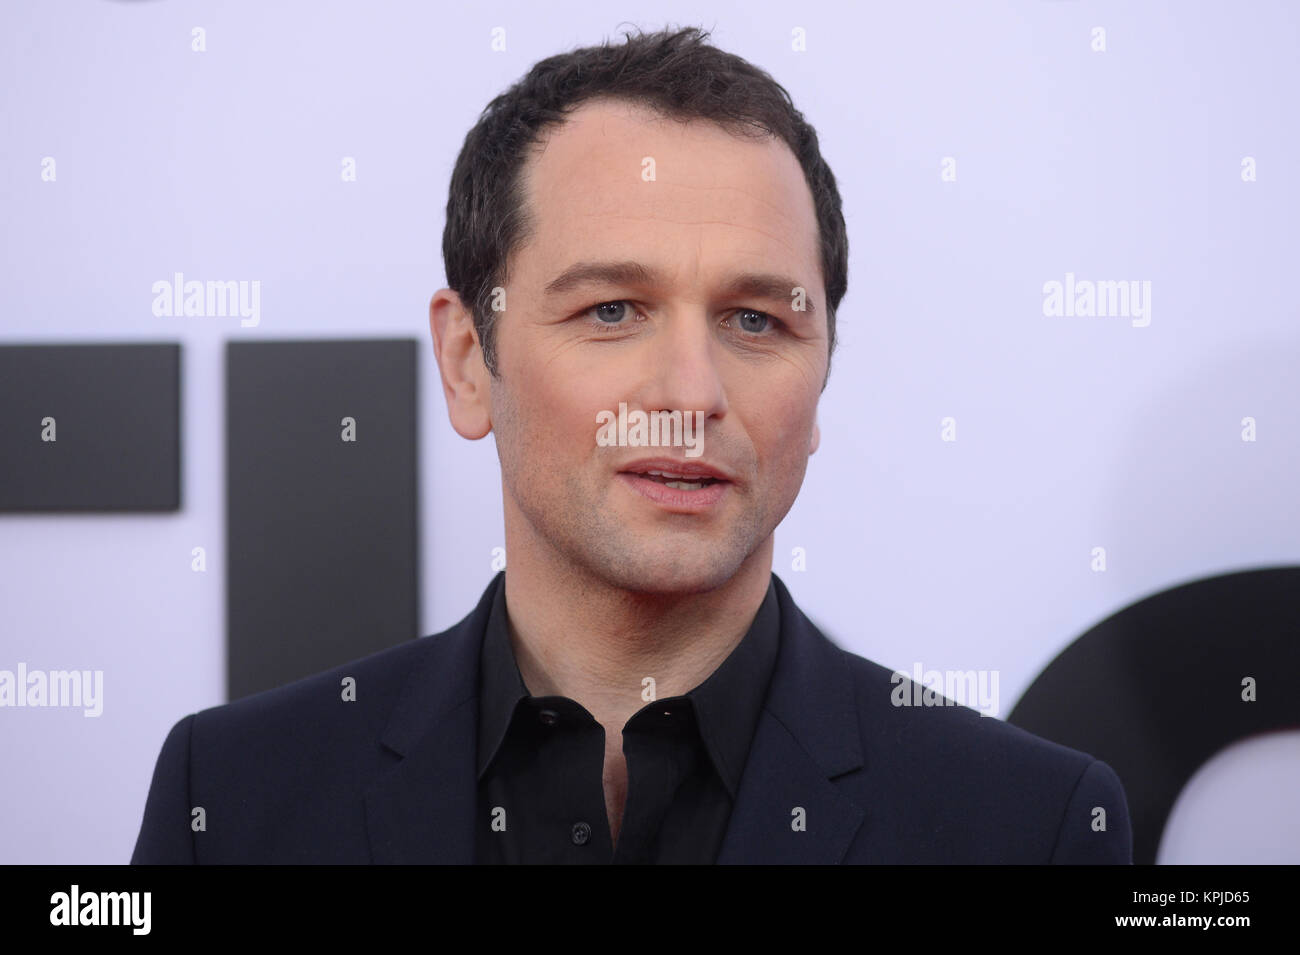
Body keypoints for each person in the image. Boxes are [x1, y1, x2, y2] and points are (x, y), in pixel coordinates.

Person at [132, 25, 1131, 864]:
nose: (689, 394)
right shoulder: (229, 801)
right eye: (612, 310)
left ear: (822, 373)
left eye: (754, 321)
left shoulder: (1025, 826)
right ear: (468, 361)